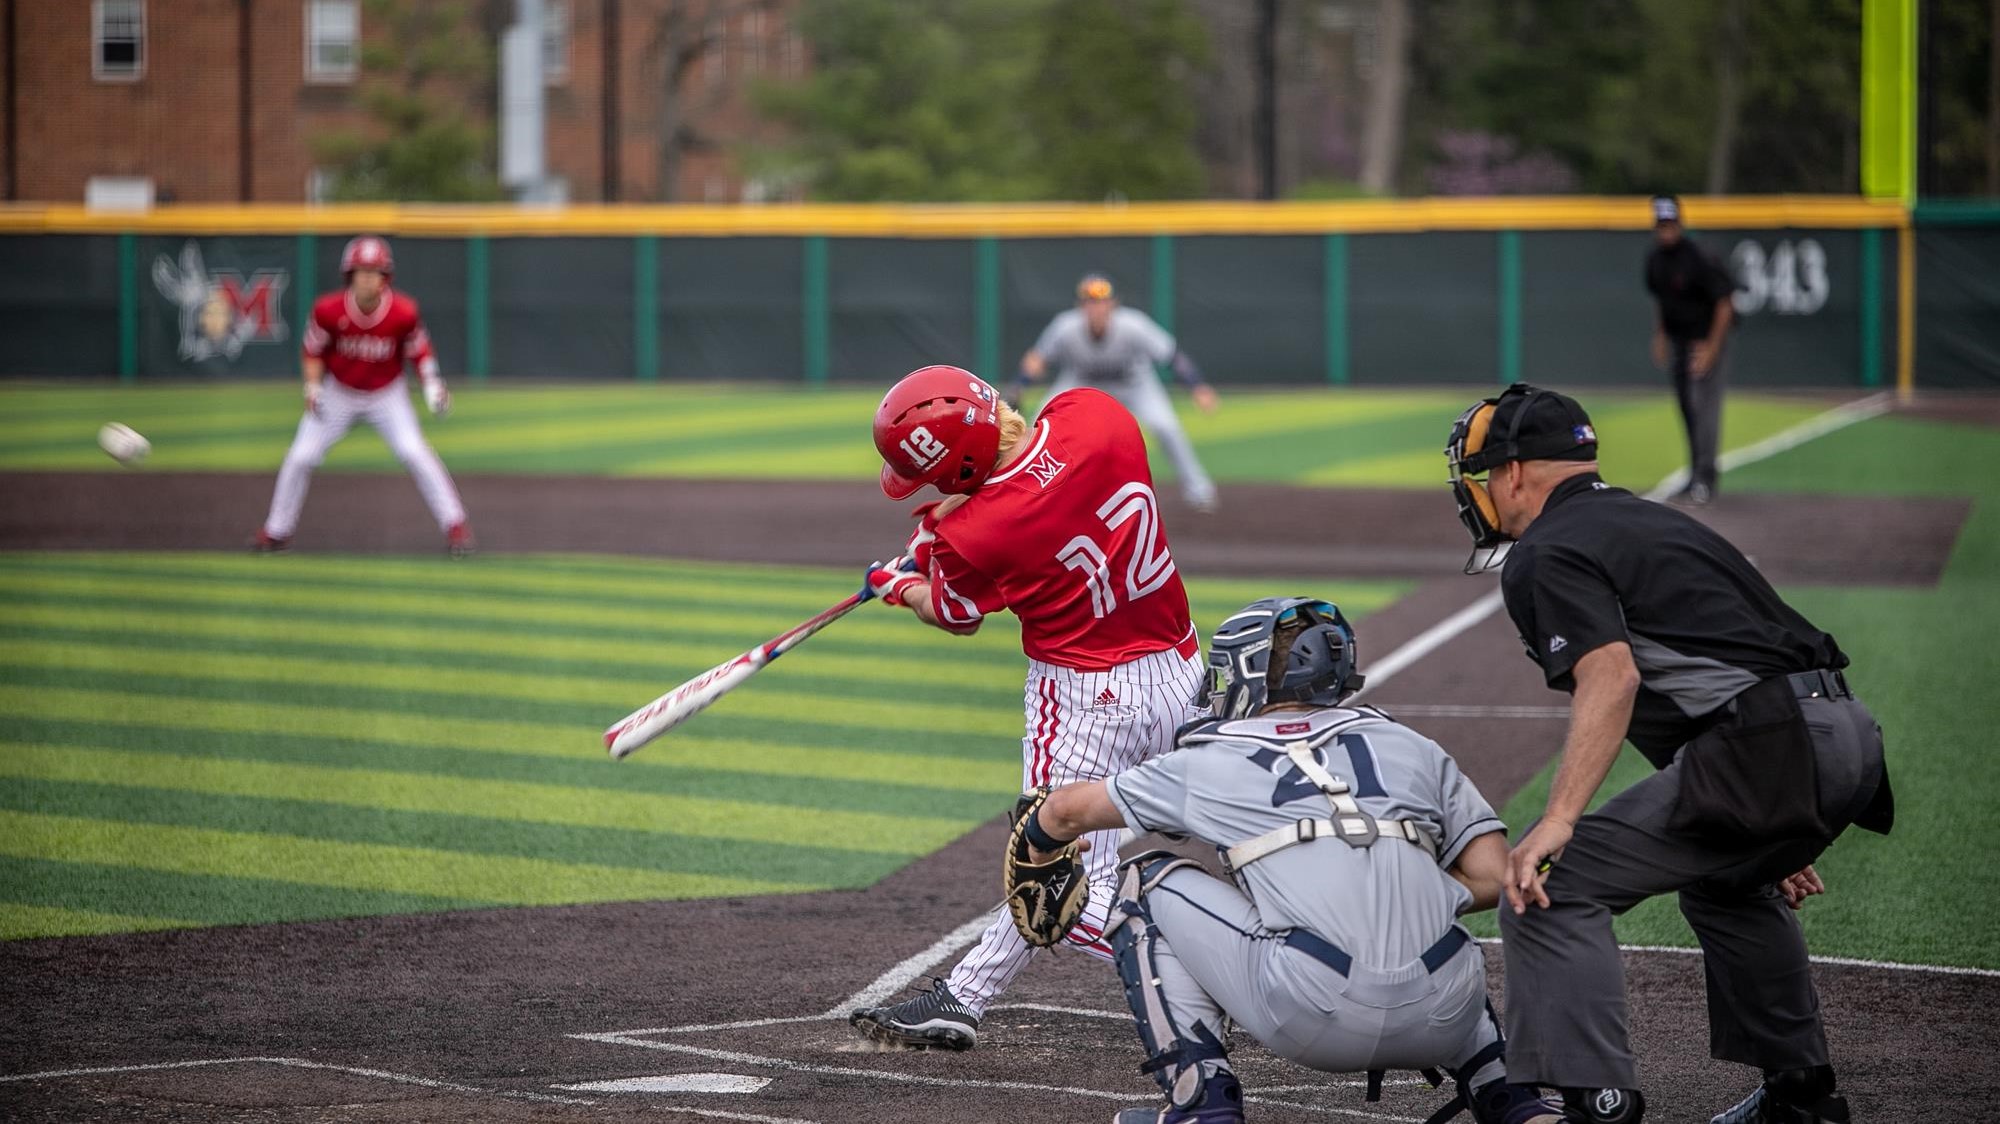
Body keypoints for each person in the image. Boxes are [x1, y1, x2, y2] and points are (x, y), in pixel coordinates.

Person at [1442, 383, 1895, 1124]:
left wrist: (1558, 820)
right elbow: (1723, 671)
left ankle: (1600, 1107)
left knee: (1548, 889)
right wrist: (1778, 813)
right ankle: (1802, 1100)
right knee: (1725, 881)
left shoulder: (1546, 550)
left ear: (1517, 472)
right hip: (1842, 734)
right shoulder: (1653, 521)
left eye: (1488, 474)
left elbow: (1613, 676)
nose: (1487, 490)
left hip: (1775, 747)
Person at [1016, 597, 1563, 1124]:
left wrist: (1037, 846)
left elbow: (1064, 811)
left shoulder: (1210, 758)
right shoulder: (1411, 745)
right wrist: (1394, 893)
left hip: (1313, 1014)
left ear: (1253, 674)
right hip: (1448, 1011)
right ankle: (1511, 1097)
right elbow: (1495, 879)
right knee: (1433, 930)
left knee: (1146, 881)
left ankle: (1201, 1103)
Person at [848, 364, 1207, 1050]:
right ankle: (962, 996)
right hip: (1180, 674)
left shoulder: (971, 535)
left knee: (1054, 885)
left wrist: (897, 582)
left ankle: (1214, 967)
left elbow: (953, 613)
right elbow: (1040, 478)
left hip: (1082, 702)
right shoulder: (1096, 414)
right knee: (1236, 821)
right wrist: (940, 536)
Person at [253, 235, 473, 557]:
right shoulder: (327, 310)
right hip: (339, 391)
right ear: (349, 275)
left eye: (375, 272)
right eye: (362, 271)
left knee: (415, 452)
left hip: (387, 394)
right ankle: (277, 531)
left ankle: (456, 527)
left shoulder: (402, 312)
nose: (369, 278)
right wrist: (313, 387)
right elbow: (312, 352)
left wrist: (432, 386)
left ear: (386, 277)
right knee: (301, 456)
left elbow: (420, 352)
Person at [1014, 273, 1221, 512]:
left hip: (1136, 386)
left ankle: (1199, 490)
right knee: (1040, 421)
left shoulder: (1133, 325)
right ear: (1081, 306)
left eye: (1102, 301)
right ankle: (1028, 490)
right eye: (1090, 302)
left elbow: (1171, 354)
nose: (1097, 307)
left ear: (1113, 304)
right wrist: (1020, 384)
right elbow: (1037, 359)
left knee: (1167, 427)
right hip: (1081, 384)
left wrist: (1197, 385)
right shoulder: (1065, 327)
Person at [1643, 195, 1740, 505]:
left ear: (1680, 224)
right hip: (1679, 343)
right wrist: (1660, 336)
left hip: (1705, 341)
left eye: (1670, 224)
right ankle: (1695, 471)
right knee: (1686, 406)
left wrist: (1712, 348)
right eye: (1661, 225)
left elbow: (1724, 303)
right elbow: (1662, 299)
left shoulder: (1698, 257)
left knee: (1704, 408)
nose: (1666, 230)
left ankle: (1706, 477)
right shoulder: (1655, 260)